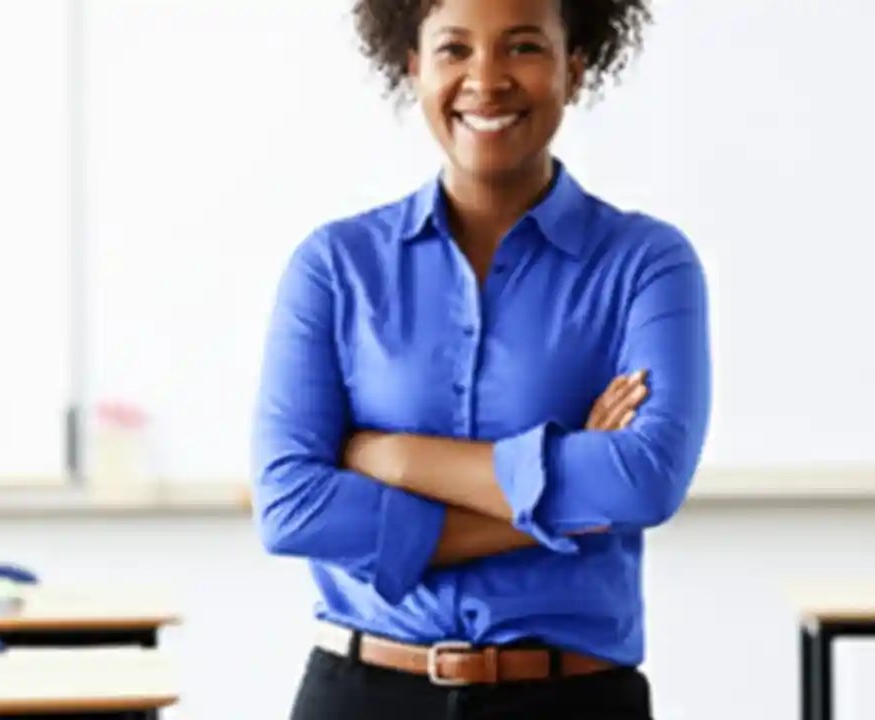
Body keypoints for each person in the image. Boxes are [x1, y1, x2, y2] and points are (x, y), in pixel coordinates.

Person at [251, 0, 710, 717]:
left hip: (572, 700)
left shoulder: (645, 263)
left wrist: (394, 457)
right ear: (413, 67)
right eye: (454, 49)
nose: (487, 80)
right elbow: (291, 508)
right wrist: (555, 506)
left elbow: (643, 480)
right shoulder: (335, 267)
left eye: (523, 47)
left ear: (574, 69)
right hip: (362, 694)